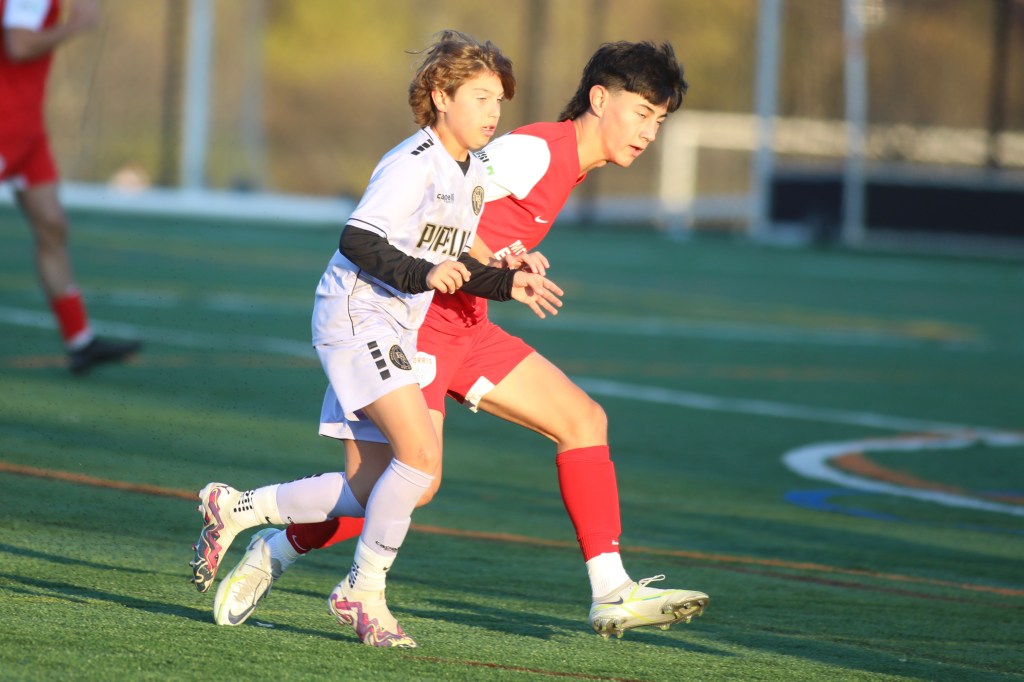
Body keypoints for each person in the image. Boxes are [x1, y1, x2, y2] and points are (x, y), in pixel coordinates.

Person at [215, 40, 709, 640]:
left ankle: (611, 591)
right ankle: (273, 546)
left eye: (660, 120)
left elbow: (468, 218)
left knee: (583, 421)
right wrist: (491, 257)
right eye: (642, 113)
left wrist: (504, 260)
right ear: (600, 99)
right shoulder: (535, 150)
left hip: (470, 326)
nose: (650, 131)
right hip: (419, 325)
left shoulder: (569, 165)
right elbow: (447, 191)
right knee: (404, 486)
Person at [188, 30, 563, 649]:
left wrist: (508, 281)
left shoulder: (472, 173)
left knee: (372, 488)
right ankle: (362, 591)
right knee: (422, 458)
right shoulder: (412, 162)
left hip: (393, 324)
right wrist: (423, 275)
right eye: (480, 97)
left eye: (499, 100)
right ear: (440, 96)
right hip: (357, 315)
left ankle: (238, 508)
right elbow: (358, 239)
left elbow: (454, 259)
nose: (493, 112)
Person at [1, 0, 141, 374]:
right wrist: (76, 25)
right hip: (5, 125)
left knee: (51, 224)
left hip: (27, 131)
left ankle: (81, 341)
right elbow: (19, 45)